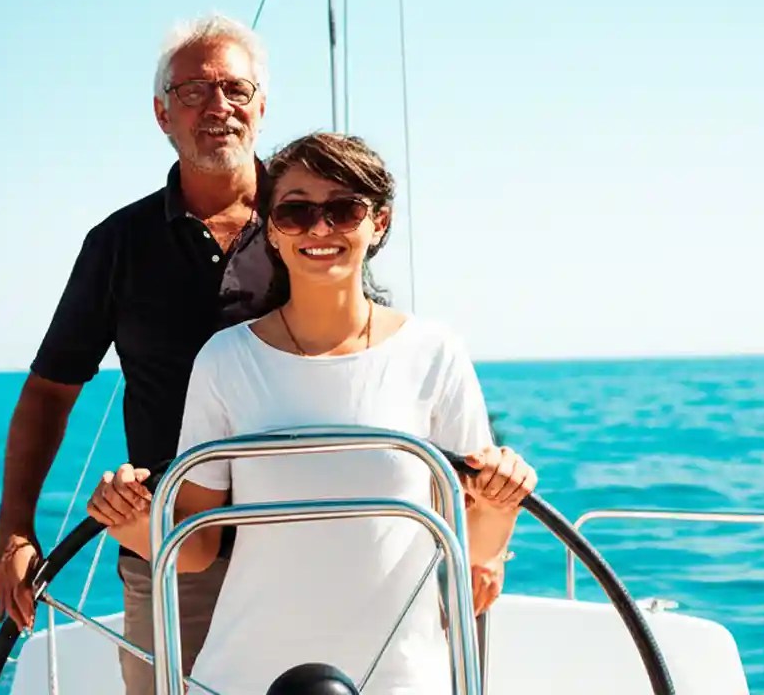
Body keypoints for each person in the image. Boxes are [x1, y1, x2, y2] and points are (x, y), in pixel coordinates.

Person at [87, 132, 537, 694]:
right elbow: (196, 547)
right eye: (296, 212)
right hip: (244, 677)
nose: (320, 229)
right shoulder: (227, 360)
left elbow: (474, 543)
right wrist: (135, 526)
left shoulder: (434, 353)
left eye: (343, 210)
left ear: (379, 223)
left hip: (400, 678)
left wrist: (502, 502)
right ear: (271, 230)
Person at [0, 13, 278, 693]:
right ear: (161, 113)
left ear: (261, 106)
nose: (218, 106)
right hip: (170, 549)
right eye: (194, 89)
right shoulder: (118, 243)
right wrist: (14, 532)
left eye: (235, 88)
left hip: (305, 531)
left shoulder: (308, 224)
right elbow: (49, 389)